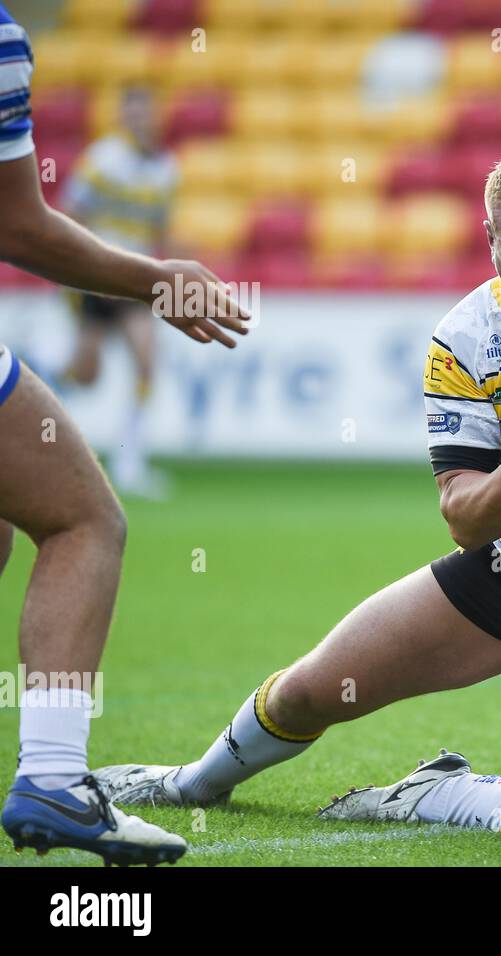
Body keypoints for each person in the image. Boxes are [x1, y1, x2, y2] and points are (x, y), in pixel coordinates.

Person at [91, 147, 501, 838]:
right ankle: (190, 782)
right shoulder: (465, 338)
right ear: (490, 241)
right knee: (311, 691)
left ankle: (436, 793)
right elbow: (465, 520)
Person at [0, 2, 248, 866]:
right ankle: (57, 778)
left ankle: (137, 447)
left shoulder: (163, 167)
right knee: (83, 520)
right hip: (90, 272)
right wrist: (149, 281)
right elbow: (23, 220)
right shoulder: (8, 45)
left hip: (108, 269)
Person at [60, 86, 179, 497]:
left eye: (145, 111)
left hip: (135, 280)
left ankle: (129, 460)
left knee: (147, 359)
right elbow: (71, 216)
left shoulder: (166, 168)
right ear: (122, 117)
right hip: (96, 276)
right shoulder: (103, 160)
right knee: (85, 375)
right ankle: (46, 431)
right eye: (133, 112)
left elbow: (160, 231)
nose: (140, 120)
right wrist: (86, 270)